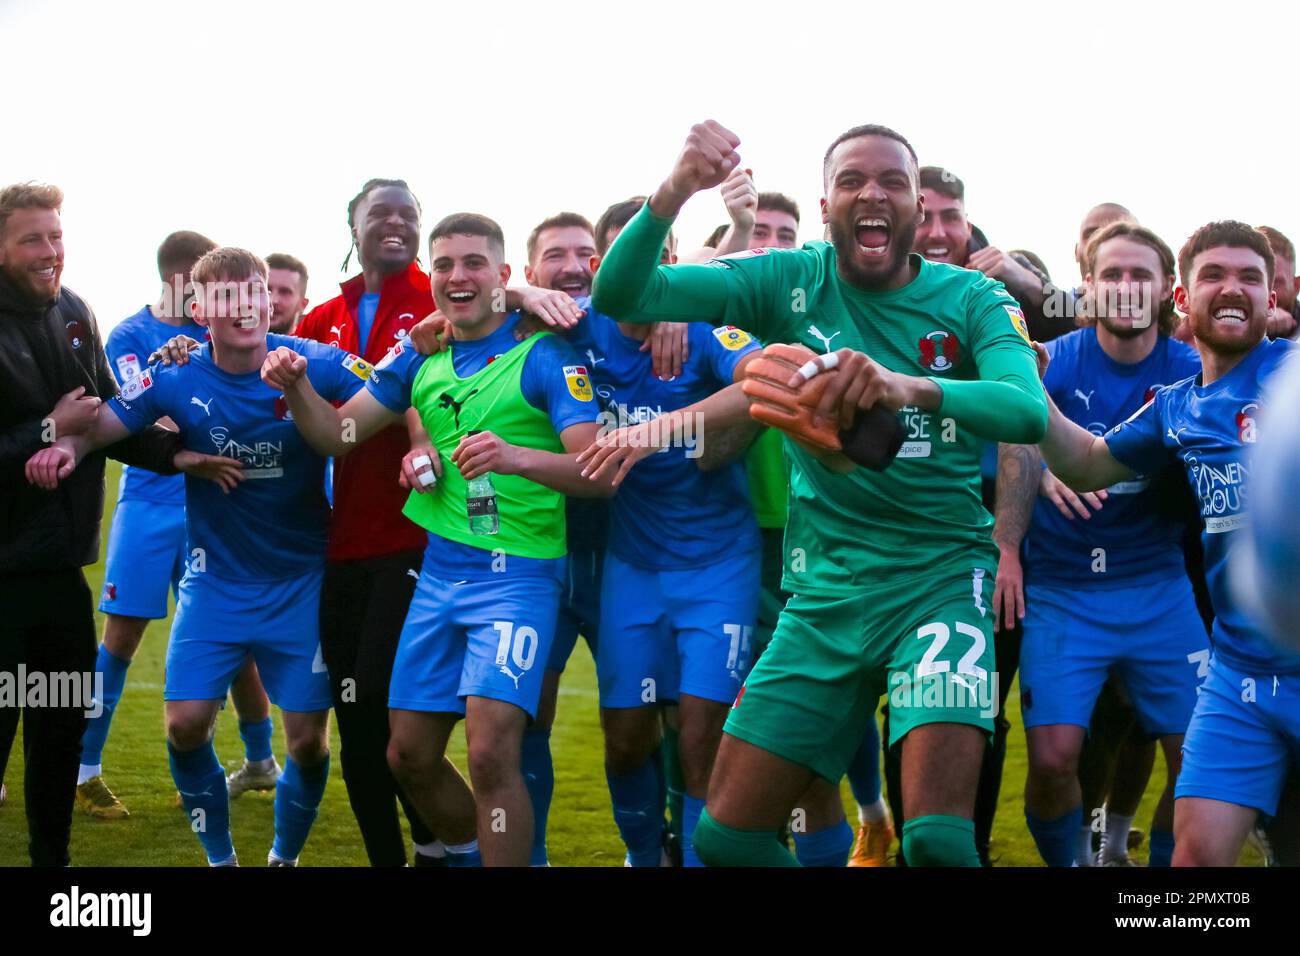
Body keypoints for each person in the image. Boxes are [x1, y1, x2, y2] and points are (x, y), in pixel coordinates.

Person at [590, 121, 1048, 866]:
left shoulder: (975, 297)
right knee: (728, 838)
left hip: (937, 581)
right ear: (826, 203)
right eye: (852, 181)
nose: (873, 193)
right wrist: (676, 189)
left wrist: (908, 386)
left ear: (915, 203)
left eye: (893, 181)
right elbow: (623, 291)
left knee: (935, 841)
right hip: (824, 591)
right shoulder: (787, 279)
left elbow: (1023, 409)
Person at [266, 213, 616, 866]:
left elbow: (595, 472)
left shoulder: (546, 358)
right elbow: (338, 436)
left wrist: (515, 459)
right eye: (447, 264)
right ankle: (469, 854)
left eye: (475, 263)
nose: (459, 276)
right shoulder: (416, 357)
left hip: (518, 579)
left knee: (489, 752)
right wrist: (297, 387)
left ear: (503, 276)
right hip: (438, 576)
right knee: (408, 755)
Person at [25, 247, 350, 867]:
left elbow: (398, 389)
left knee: (308, 745)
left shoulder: (314, 362)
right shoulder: (172, 373)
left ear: (266, 299)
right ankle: (220, 860)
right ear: (199, 310)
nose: (243, 305)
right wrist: (63, 445)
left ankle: (284, 857)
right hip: (215, 585)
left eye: (252, 291)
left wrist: (419, 438)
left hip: (301, 584)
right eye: (225, 296)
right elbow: (102, 427)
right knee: (185, 726)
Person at [1035, 220, 1300, 866]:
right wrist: (1021, 385)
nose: (1232, 288)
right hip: (1237, 672)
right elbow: (1089, 464)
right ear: (1181, 299)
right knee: (1196, 861)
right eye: (1213, 275)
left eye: (1250, 278)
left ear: (1274, 301)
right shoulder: (1174, 408)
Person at [0, 182, 218, 866]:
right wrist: (45, 430)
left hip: (61, 575)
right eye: (32, 238)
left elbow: (104, 419)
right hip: (0, 577)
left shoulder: (74, 310)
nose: (49, 251)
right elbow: (62, 425)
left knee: (59, 730)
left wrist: (171, 452)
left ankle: (52, 870)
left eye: (56, 235)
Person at [995, 221, 1206, 867]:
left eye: (1140, 274)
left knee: (1199, 761)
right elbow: (1008, 434)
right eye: (1110, 274)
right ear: (1087, 285)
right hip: (1064, 590)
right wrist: (1033, 486)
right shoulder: (1052, 362)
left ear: (1167, 289)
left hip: (1159, 585)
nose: (1124, 286)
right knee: (1055, 760)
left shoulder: (1193, 371)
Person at [75, 230, 281, 819]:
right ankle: (85, 770)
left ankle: (259, 760)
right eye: (213, 289)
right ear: (183, 285)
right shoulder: (131, 336)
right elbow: (147, 420)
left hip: (213, 501)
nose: (231, 303)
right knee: (120, 637)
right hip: (149, 502)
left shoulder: (222, 339)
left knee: (232, 635)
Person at [294, 179, 462, 867]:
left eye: (408, 214)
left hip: (418, 540)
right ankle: (403, 854)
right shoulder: (319, 317)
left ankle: (441, 843)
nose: (395, 224)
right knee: (355, 726)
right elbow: (311, 425)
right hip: (343, 546)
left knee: (389, 723)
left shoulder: (439, 300)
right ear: (353, 225)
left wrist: (414, 425)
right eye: (379, 214)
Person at [267, 252, 310, 334]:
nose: (272, 300)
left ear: (303, 305)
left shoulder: (315, 346)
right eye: (265, 290)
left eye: (284, 292)